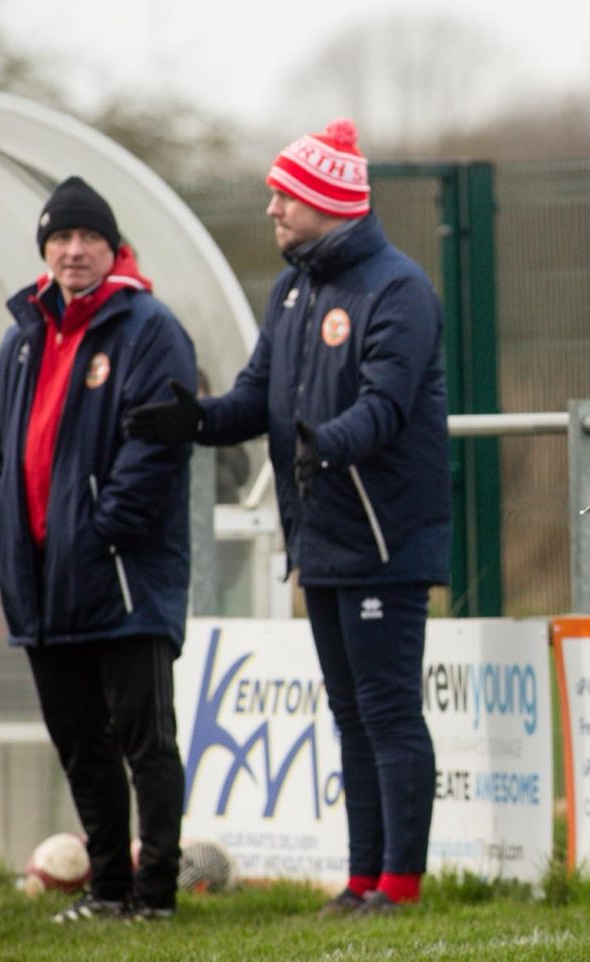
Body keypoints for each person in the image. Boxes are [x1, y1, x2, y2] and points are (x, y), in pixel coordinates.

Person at [125, 120, 450, 915]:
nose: (272, 207)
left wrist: (325, 442)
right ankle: (362, 878)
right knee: (349, 713)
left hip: (386, 536)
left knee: (387, 710)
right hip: (320, 535)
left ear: (329, 202)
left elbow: (384, 407)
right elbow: (254, 398)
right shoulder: (293, 288)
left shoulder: (397, 288)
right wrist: (195, 420)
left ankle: (400, 884)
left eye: (286, 195)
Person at [0, 177, 195, 922]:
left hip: (122, 577)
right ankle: (107, 889)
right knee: (80, 743)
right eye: (60, 238)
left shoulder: (147, 327)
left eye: (88, 238)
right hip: (41, 582)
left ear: (112, 247)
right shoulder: (22, 337)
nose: (74, 251)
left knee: (147, 742)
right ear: (45, 248)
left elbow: (158, 443)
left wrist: (103, 530)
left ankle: (157, 892)